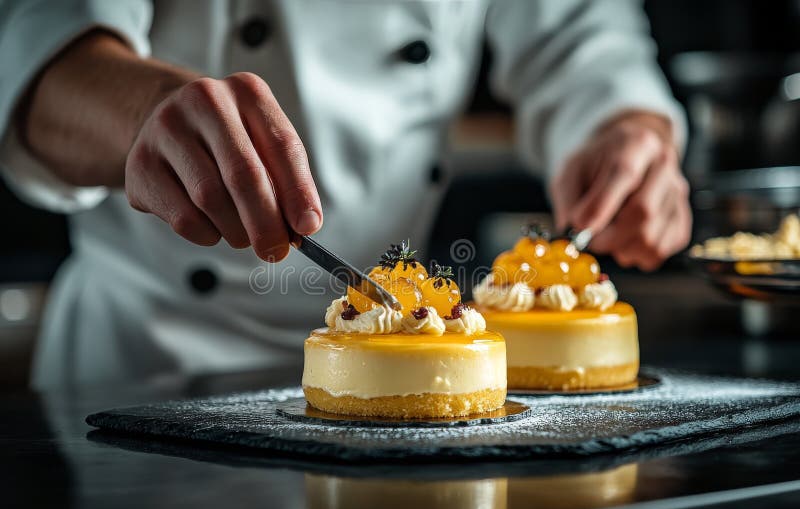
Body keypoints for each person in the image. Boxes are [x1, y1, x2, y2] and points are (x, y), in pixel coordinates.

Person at [0, 0, 691, 389]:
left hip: (416, 365)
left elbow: (580, 34)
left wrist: (624, 126)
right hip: (146, 373)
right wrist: (144, 109)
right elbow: (36, 44)